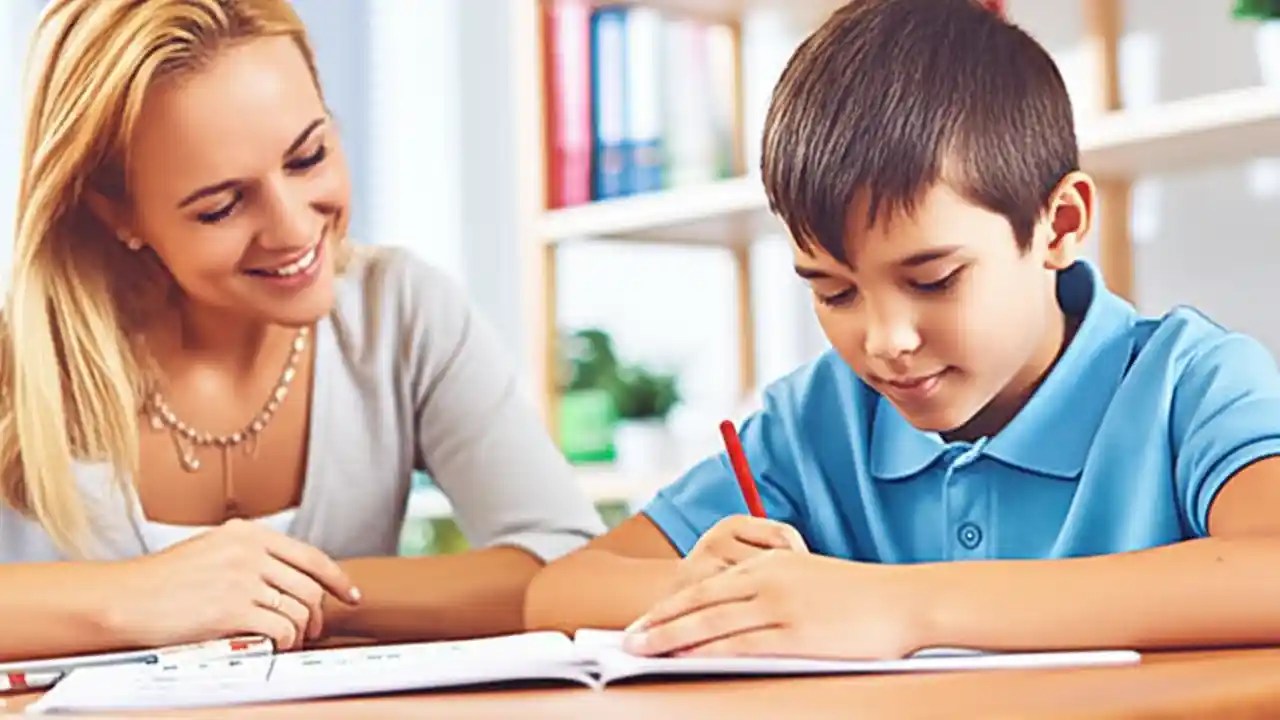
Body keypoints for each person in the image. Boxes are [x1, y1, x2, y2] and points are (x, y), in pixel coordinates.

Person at [526, 0, 1280, 659]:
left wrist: (901, 607)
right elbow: (561, 594)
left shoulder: (1192, 383)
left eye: (933, 281)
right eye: (833, 292)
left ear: (1060, 226)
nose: (884, 340)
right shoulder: (814, 424)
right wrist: (701, 586)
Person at [0, 0, 603, 662]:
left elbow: (570, 564)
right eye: (221, 206)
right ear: (116, 213)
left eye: (308, 156)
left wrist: (284, 591)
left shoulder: (399, 312)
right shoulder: (18, 358)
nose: (293, 230)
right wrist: (140, 598)